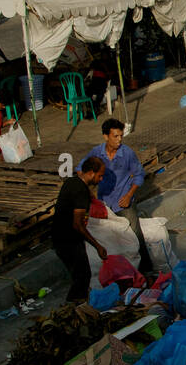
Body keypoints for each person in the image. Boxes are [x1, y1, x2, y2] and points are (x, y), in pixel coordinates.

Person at [82, 119, 151, 271]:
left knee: (135, 235)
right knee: (111, 238)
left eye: (121, 136)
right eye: (115, 136)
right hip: (105, 203)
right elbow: (81, 169)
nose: (119, 140)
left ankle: (147, 270)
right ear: (106, 136)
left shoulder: (127, 153)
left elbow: (139, 175)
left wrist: (129, 195)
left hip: (124, 202)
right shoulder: (96, 153)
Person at [54, 156, 108, 302]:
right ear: (91, 173)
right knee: (82, 277)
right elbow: (77, 224)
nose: (101, 179)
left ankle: (77, 305)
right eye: (100, 175)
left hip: (59, 238)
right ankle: (72, 308)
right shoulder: (80, 191)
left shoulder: (72, 182)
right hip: (69, 240)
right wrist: (97, 246)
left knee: (81, 276)